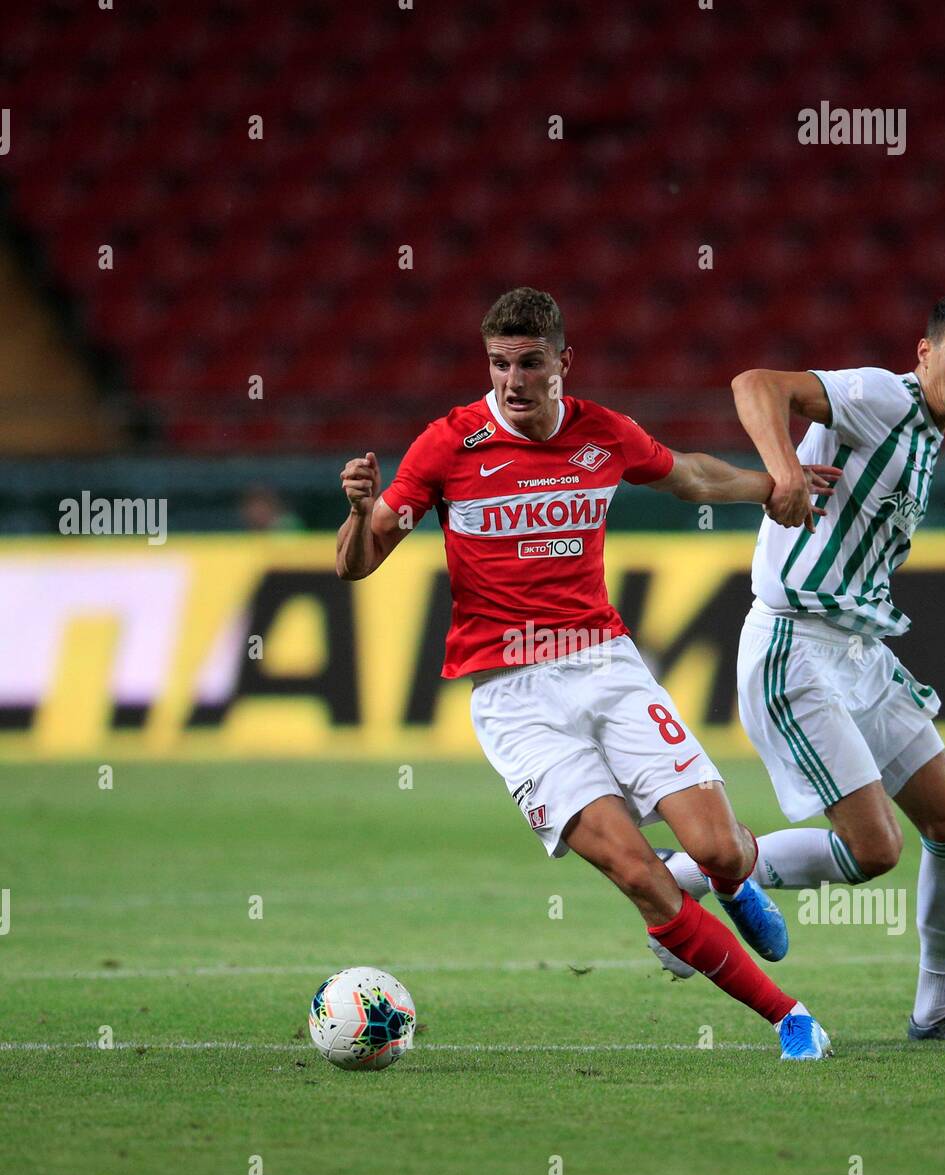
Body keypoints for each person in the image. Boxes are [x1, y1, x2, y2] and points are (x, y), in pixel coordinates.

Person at [335, 286, 839, 1059]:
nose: (512, 380)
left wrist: (771, 489)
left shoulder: (603, 434)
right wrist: (356, 512)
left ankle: (736, 882)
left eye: (529, 363)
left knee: (721, 849)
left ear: (561, 362)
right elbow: (359, 563)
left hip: (605, 667)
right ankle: (790, 1019)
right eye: (499, 364)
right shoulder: (447, 446)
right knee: (639, 877)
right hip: (513, 700)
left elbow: (692, 477)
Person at [660, 291, 945, 1042]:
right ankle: (687, 875)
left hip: (859, 649)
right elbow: (756, 383)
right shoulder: (884, 397)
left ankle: (937, 1009)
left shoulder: (926, 436)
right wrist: (783, 469)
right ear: (925, 355)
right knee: (875, 849)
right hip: (796, 645)